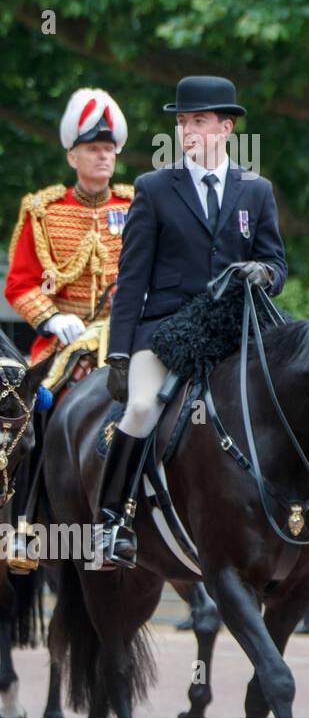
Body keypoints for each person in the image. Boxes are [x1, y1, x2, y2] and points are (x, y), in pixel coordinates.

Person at [97, 75, 288, 569]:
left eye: (199, 121)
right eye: (182, 122)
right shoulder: (154, 189)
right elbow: (131, 279)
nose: (188, 131)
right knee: (140, 409)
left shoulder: (256, 190)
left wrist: (263, 271)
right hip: (163, 334)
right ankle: (111, 520)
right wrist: (119, 353)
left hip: (231, 332)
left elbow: (278, 265)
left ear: (226, 128)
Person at [5, 88, 133, 372]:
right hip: (64, 343)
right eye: (93, 149)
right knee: (35, 403)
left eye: (108, 149)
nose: (103, 156)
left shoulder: (136, 206)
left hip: (129, 338)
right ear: (72, 158)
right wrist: (52, 320)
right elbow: (21, 284)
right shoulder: (43, 212)